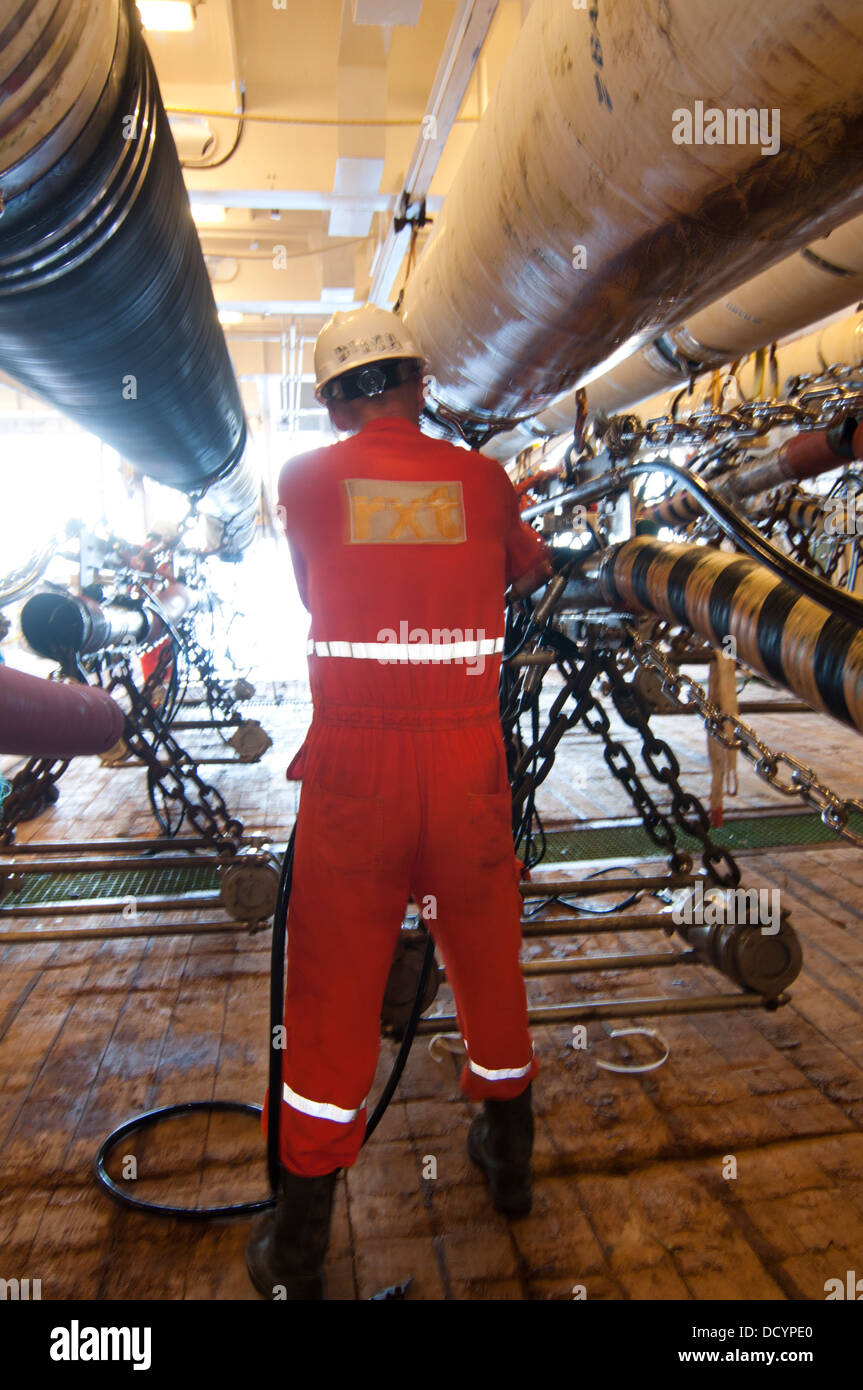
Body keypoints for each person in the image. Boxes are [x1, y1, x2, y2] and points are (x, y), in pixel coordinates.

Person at [246, 305, 553, 1300]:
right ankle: (509, 1165)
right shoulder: (482, 478)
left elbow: (312, 590)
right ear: (420, 383)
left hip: (354, 772)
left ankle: (299, 1247)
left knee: (330, 994)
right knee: (485, 961)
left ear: (334, 400)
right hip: (465, 762)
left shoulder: (303, 479)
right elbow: (528, 570)